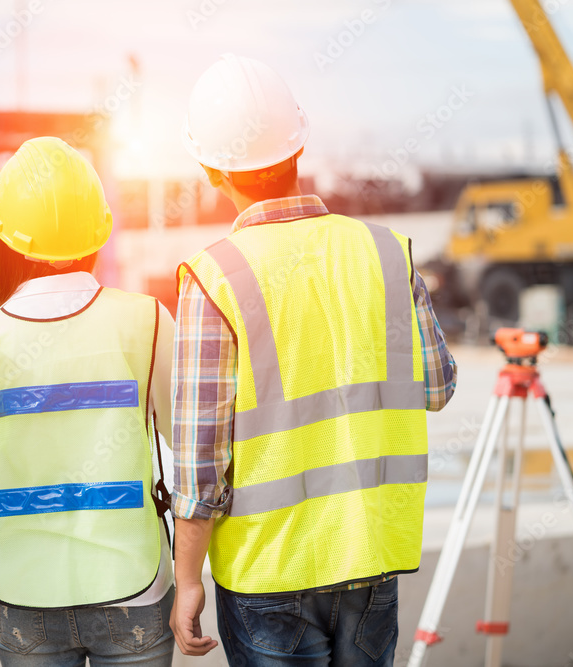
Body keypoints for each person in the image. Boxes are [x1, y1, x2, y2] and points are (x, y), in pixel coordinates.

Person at [169, 54, 458, 666]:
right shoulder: (385, 252)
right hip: (371, 556)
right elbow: (436, 387)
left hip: (270, 573)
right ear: (299, 144)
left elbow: (200, 462)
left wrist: (188, 578)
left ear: (210, 169)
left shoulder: (215, 276)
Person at [0, 136, 177, 666]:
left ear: (7, 239)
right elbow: (184, 438)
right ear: (96, 233)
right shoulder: (147, 320)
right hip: (132, 583)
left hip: (24, 591)